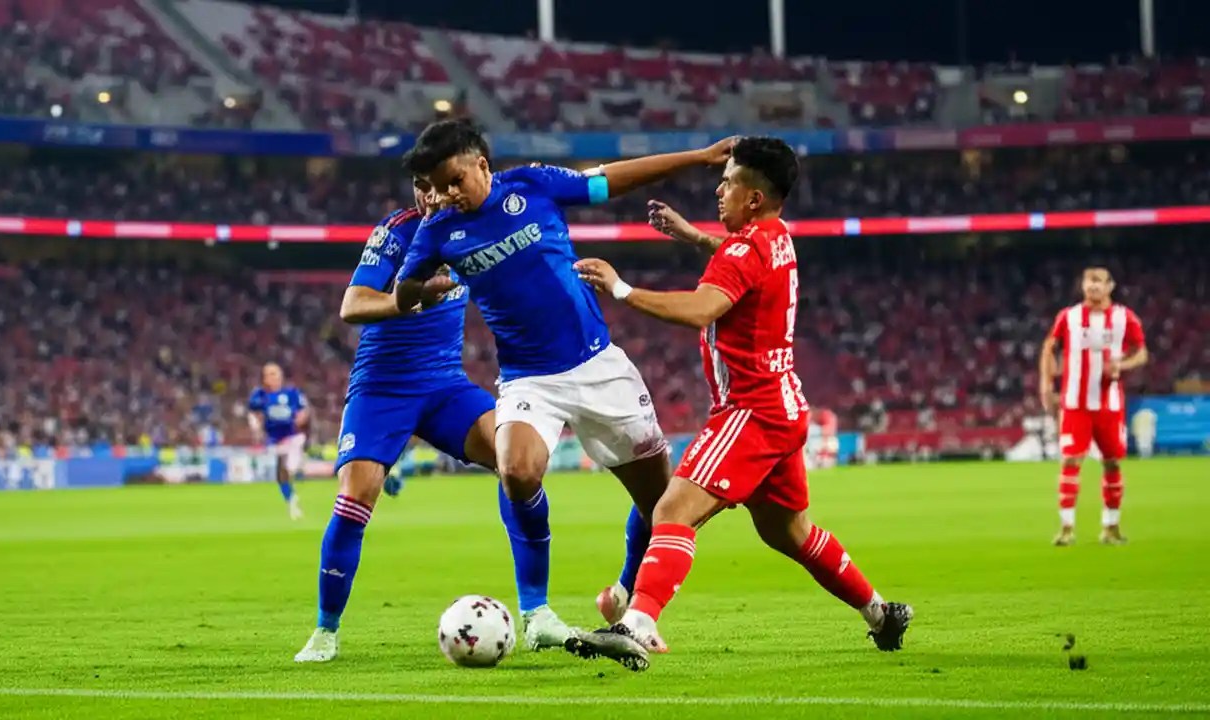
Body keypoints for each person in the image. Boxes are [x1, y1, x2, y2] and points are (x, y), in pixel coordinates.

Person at [565, 137, 913, 672]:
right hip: (785, 406)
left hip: (750, 411)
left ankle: (637, 625)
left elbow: (702, 310)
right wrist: (692, 236)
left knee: (672, 510)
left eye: (727, 181)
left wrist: (621, 288)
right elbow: (741, 261)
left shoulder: (744, 247)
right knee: (789, 531)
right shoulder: (776, 238)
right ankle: (880, 613)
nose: (717, 188)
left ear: (753, 197)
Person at [394, 119, 736, 636]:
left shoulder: (531, 185)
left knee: (662, 506)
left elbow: (608, 180)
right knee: (517, 470)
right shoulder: (437, 229)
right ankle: (536, 612)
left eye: (454, 180)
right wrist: (434, 285)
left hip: (598, 365)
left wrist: (697, 155)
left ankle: (626, 596)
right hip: (529, 379)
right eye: (437, 187)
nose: (447, 195)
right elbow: (403, 293)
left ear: (481, 164)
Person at [296, 180, 643, 662]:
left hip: (445, 385)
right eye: (421, 186)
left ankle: (536, 613)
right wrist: (412, 299)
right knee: (356, 495)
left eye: (437, 185)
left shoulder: (477, 228)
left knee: (515, 463)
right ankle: (325, 633)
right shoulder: (399, 231)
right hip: (383, 387)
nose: (430, 196)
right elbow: (352, 305)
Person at [1039, 266, 1148, 546]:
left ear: (1110, 286)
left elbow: (1142, 353)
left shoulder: (1125, 318)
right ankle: (1066, 527)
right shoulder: (1069, 316)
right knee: (1071, 460)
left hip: (1109, 405)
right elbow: (1050, 347)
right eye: (1089, 281)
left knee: (1111, 463)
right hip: (1075, 403)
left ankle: (1110, 528)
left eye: (1099, 282)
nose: (1093, 286)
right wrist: (1046, 384)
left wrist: (1122, 364)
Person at [247, 363, 308, 520]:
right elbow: (253, 413)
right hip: (275, 440)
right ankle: (291, 499)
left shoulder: (291, 393)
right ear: (265, 378)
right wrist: (256, 426)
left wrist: (300, 418)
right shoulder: (259, 395)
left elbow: (303, 411)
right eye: (270, 374)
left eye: (276, 373)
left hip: (292, 438)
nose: (274, 377)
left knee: (288, 468)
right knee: (281, 474)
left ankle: (296, 475)